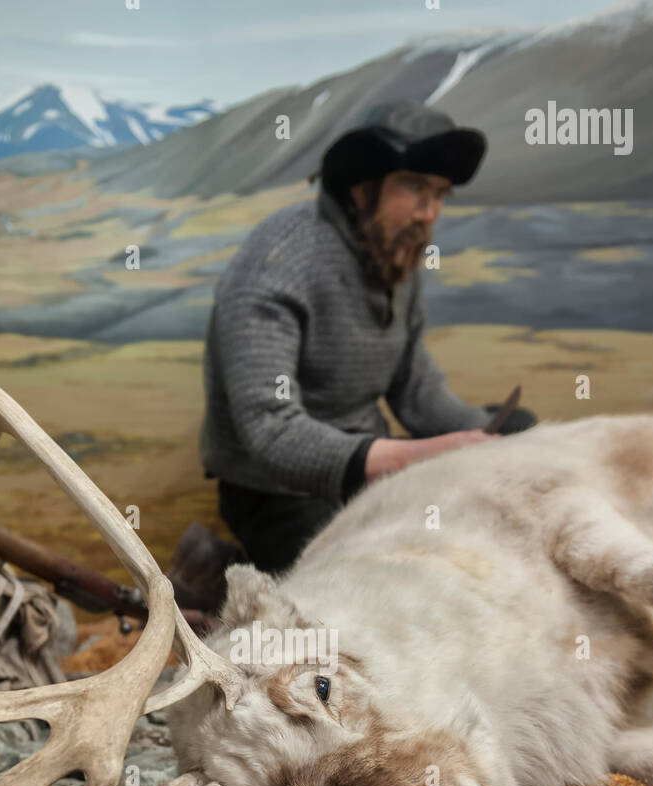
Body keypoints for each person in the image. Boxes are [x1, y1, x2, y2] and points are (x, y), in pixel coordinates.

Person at [168, 102, 536, 605]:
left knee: (510, 456)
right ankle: (218, 573)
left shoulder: (392, 250)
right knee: (374, 599)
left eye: (440, 194)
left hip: (365, 465)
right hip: (277, 492)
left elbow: (413, 384)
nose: (430, 212)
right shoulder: (280, 259)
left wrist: (483, 434)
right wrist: (415, 456)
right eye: (414, 188)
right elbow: (270, 429)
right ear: (363, 188)